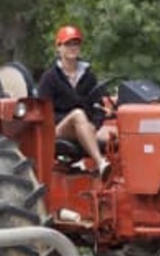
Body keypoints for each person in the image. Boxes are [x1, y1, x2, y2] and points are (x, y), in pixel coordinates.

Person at [37, 25, 116, 176]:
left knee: (118, 134)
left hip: (85, 127)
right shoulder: (49, 78)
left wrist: (94, 125)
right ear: (59, 47)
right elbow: (44, 112)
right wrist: (75, 121)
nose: (72, 48)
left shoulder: (89, 76)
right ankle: (101, 163)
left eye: (76, 44)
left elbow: (98, 106)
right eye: (68, 44)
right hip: (57, 129)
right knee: (78, 114)